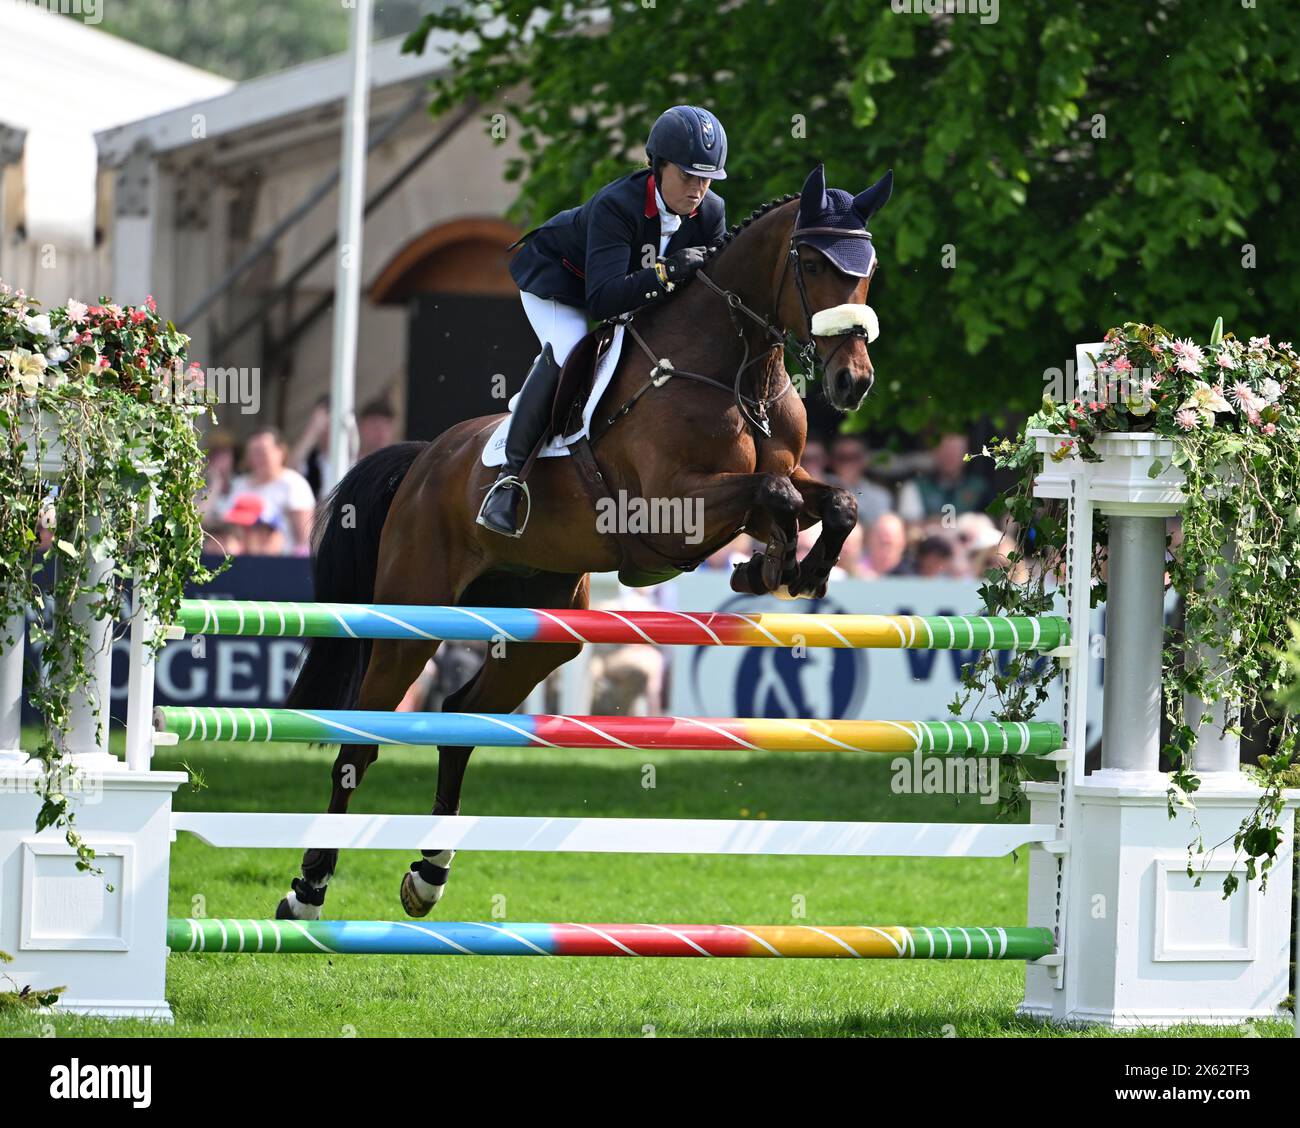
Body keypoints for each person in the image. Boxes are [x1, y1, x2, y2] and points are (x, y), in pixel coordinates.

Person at [478, 105, 729, 538]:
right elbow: (603, 300)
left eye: (707, 178)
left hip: (628, 291)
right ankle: (508, 481)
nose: (698, 189)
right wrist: (667, 273)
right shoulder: (619, 205)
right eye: (688, 176)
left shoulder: (710, 213)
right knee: (570, 348)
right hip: (559, 283)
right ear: (659, 166)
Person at [222, 426, 316, 555]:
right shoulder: (240, 485)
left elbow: (305, 540)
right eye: (253, 453)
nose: (257, 459)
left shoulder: (294, 484)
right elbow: (230, 529)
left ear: (280, 451)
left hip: (281, 563)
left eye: (262, 452)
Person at [897, 433, 993, 524]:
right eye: (946, 451)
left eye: (956, 452)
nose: (951, 457)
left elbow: (990, 524)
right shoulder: (915, 488)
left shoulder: (980, 488)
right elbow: (910, 527)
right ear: (935, 453)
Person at [828, 435, 894, 530]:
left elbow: (879, 529)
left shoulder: (879, 495)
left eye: (854, 457)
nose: (848, 463)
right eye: (842, 457)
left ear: (865, 460)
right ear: (832, 460)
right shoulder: (822, 488)